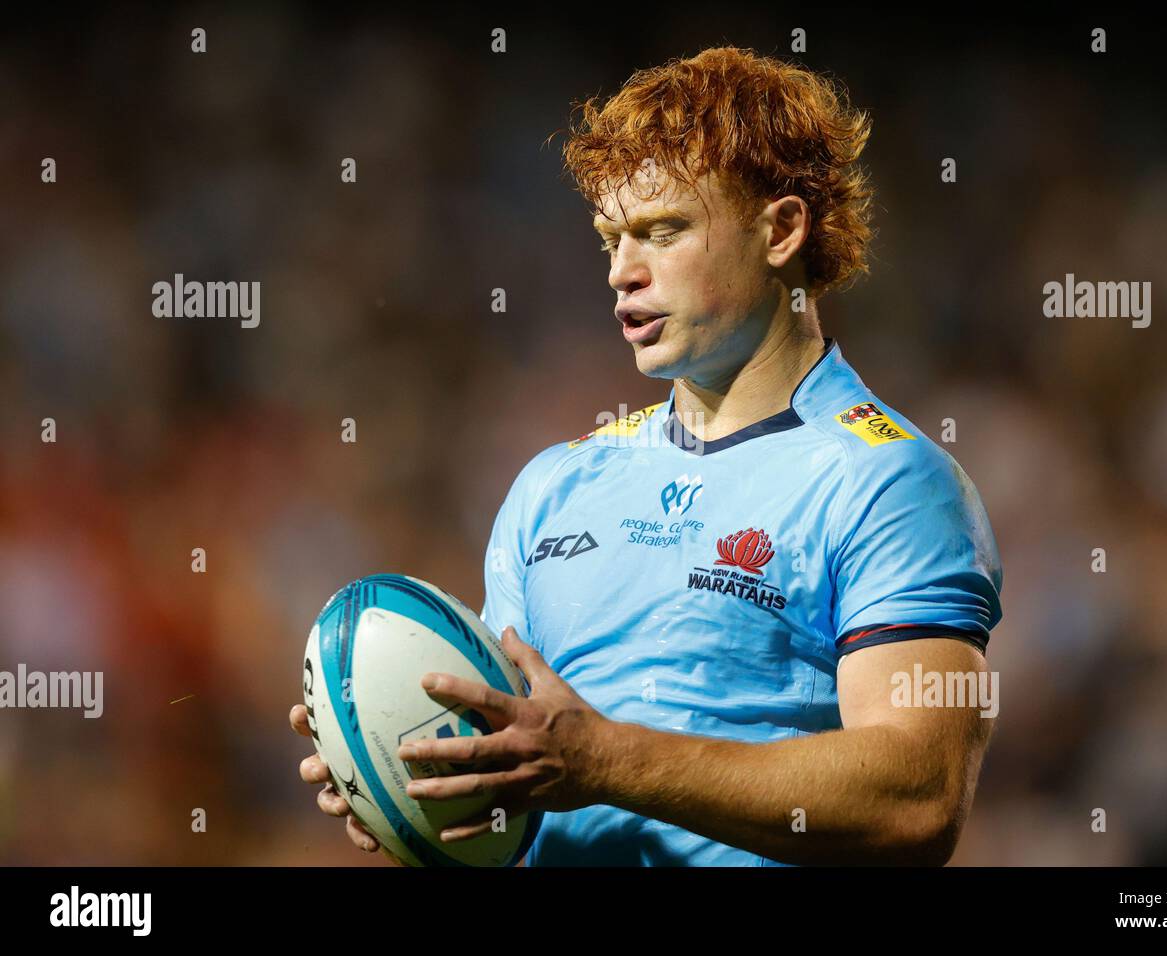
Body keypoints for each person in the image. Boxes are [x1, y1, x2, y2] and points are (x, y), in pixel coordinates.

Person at [290, 46, 1002, 865]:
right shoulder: (554, 485)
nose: (622, 273)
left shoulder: (890, 481)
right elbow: (520, 781)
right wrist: (411, 781)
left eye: (663, 232)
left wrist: (606, 762)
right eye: (610, 239)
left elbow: (919, 797)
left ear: (781, 230)